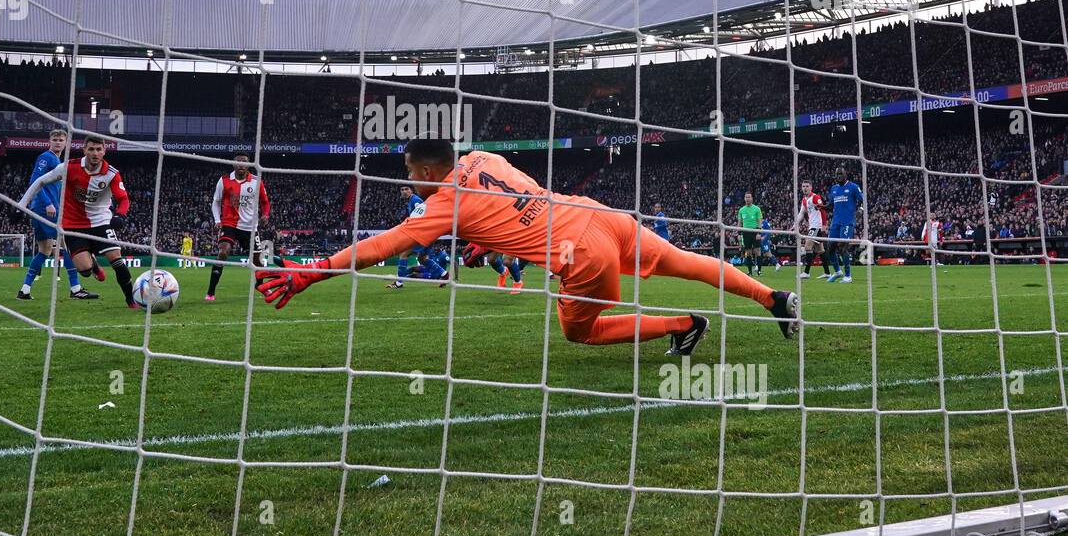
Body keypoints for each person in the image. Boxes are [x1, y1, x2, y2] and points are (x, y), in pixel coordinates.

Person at [257, 141, 797, 356]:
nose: (409, 183)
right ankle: (773, 296)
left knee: (579, 331)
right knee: (689, 262)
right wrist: (477, 239)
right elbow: (508, 206)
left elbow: (386, 244)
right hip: (598, 214)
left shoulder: (443, 200)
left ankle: (683, 325)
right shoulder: (482, 156)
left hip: (578, 253)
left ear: (426, 171)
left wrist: (314, 271)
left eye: (409, 175)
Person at [18, 135, 138, 308]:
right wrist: (20, 206)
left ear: (104, 151)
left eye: (98, 149)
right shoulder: (69, 167)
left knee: (116, 259)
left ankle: (131, 300)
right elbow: (40, 181)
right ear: (84, 150)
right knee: (85, 271)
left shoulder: (112, 174)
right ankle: (93, 265)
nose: (95, 153)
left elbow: (124, 200)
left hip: (101, 222)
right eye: (91, 149)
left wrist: (120, 215)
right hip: (73, 225)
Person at [17, 128, 96, 301]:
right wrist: (48, 204)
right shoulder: (46, 158)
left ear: (66, 142)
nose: (58, 142)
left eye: (61, 140)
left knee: (44, 250)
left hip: (41, 210)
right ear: (50, 141)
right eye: (55, 139)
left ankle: (24, 290)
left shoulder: (59, 162)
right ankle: (75, 288)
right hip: (45, 209)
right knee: (67, 245)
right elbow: (35, 182)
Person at [206, 152, 270, 301]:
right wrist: (217, 220)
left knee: (257, 261)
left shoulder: (256, 181)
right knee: (223, 252)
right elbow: (216, 201)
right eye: (239, 162)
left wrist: (265, 215)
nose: (242, 164)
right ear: (233, 164)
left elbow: (265, 202)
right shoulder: (224, 180)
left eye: (245, 162)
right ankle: (211, 292)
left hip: (250, 227)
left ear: (249, 165)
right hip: (230, 224)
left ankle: (260, 286)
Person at [825, 166, 864, 283]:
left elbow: (863, 200)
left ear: (845, 175)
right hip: (835, 222)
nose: (838, 177)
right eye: (837, 175)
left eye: (840, 174)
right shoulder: (834, 189)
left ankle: (848, 275)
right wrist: (821, 207)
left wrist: (860, 210)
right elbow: (831, 206)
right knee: (830, 248)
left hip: (847, 222)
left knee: (843, 246)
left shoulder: (853, 187)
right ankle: (837, 271)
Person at [796, 180, 829, 280]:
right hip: (812, 226)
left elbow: (823, 210)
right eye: (803, 186)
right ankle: (827, 273)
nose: (805, 188)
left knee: (807, 246)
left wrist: (824, 225)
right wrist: (795, 224)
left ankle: (806, 273)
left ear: (811, 187)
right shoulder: (804, 200)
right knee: (820, 249)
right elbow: (801, 213)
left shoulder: (815, 197)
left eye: (807, 186)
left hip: (817, 226)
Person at [738, 191, 763, 276]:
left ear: (752, 198)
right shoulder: (741, 210)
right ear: (744, 199)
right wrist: (739, 234)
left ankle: (759, 271)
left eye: (749, 197)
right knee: (747, 252)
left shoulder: (757, 209)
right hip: (746, 232)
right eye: (746, 197)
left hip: (755, 231)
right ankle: (749, 272)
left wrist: (759, 232)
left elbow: (759, 221)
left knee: (757, 251)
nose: (747, 199)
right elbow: (740, 223)